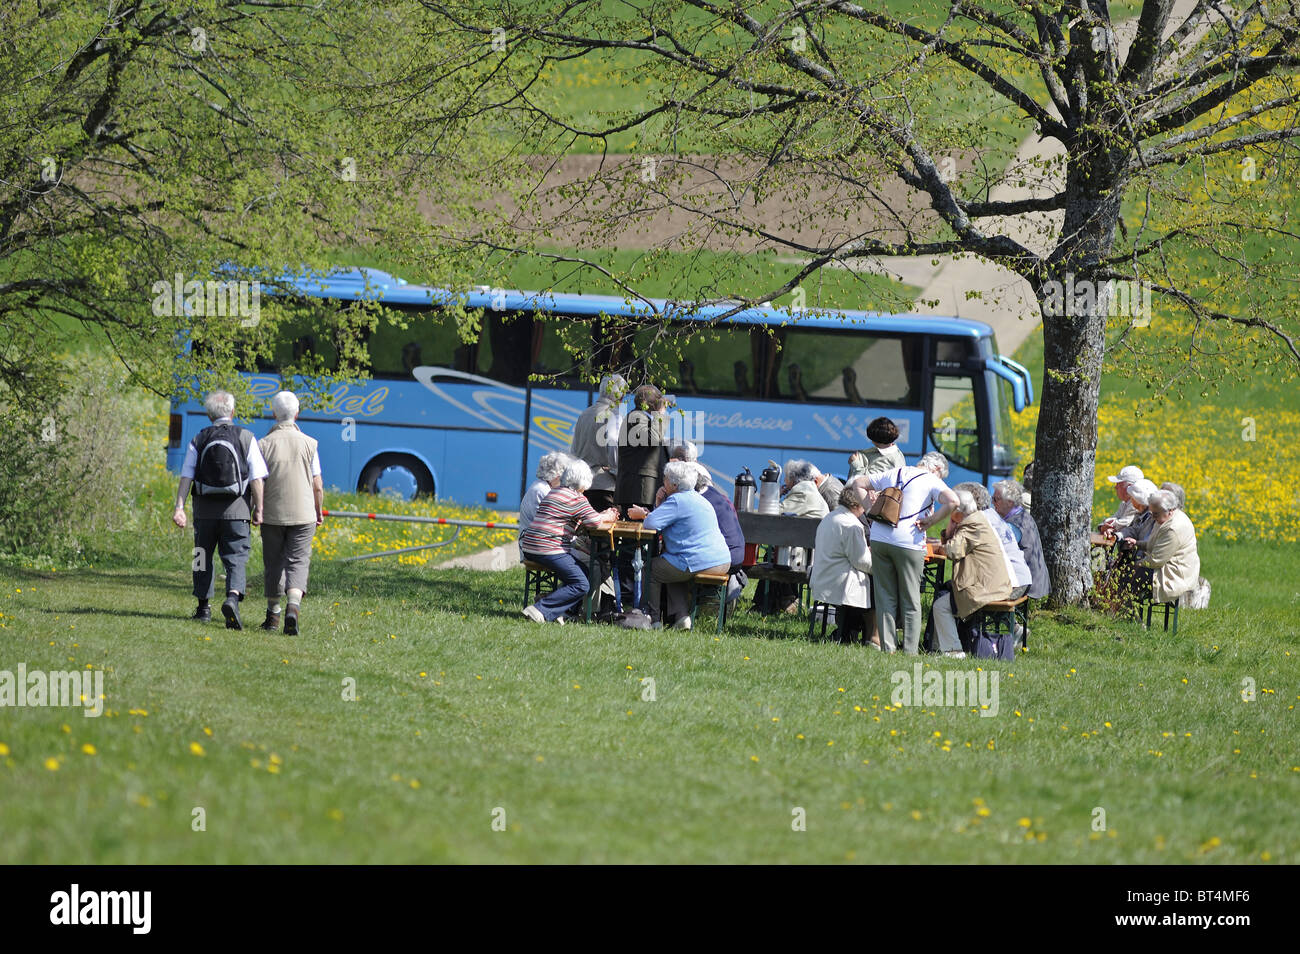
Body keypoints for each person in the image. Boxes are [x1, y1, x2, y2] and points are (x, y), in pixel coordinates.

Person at [172, 390, 268, 629]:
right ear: (233, 412)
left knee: (201, 556)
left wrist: (179, 507)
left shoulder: (200, 438)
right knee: (236, 557)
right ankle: (232, 598)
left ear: (208, 414)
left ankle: (203, 607)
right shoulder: (246, 437)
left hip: (204, 511)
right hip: (237, 510)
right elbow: (257, 478)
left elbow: (186, 475)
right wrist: (259, 509)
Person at [867, 451, 959, 654]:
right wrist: (931, 522)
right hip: (909, 542)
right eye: (941, 476)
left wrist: (869, 510)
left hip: (879, 538)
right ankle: (909, 651)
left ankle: (888, 648)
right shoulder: (931, 480)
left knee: (885, 596)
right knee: (910, 599)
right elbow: (953, 501)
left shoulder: (895, 472)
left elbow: (857, 483)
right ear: (936, 469)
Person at [629, 461, 731, 630]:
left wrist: (652, 506)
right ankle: (682, 617)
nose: (663, 481)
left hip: (699, 561)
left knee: (652, 569)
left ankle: (653, 620)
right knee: (671, 567)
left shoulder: (677, 500)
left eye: (665, 479)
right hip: (722, 561)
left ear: (674, 484)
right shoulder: (700, 499)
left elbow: (651, 523)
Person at [257, 391, 324, 635]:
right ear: (297, 414)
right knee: (298, 561)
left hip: (272, 514)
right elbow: (317, 484)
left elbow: (257, 481)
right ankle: (293, 609)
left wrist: (258, 509)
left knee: (273, 561)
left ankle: (273, 616)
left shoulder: (263, 444)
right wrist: (318, 511)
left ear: (274, 414)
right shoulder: (310, 443)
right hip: (304, 513)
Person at [520, 460, 618, 623]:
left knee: (583, 573)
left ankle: (556, 610)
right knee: (581, 583)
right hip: (548, 548)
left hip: (530, 545)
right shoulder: (577, 498)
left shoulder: (555, 491)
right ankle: (539, 609)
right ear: (584, 481)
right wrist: (608, 515)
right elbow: (595, 522)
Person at [927, 489, 1014, 657]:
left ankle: (953, 651)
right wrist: (949, 532)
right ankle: (940, 647)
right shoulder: (977, 520)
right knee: (944, 600)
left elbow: (952, 551)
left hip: (987, 589)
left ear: (958, 513)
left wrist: (949, 530)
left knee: (941, 605)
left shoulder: (972, 526)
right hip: (992, 585)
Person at [809, 480, 874, 646]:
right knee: (877, 585)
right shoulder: (852, 525)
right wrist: (882, 565)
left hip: (823, 577)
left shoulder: (830, 517)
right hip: (840, 581)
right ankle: (863, 635)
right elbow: (861, 561)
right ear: (858, 503)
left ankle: (848, 631)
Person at [954, 481, 1031, 600]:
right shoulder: (992, 517)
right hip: (1021, 579)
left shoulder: (980, 521)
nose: (993, 503)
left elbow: (954, 551)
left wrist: (951, 524)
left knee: (960, 597)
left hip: (1013, 583)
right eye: (992, 498)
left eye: (996, 499)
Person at [569, 374, 626, 511]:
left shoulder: (584, 414)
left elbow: (574, 451)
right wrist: (616, 471)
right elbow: (613, 441)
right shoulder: (615, 415)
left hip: (583, 486)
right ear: (621, 395)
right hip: (605, 486)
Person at [1137, 490, 1201, 606]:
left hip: (1175, 576)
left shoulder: (1173, 529)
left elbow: (1156, 561)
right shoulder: (1164, 518)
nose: (1152, 517)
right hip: (1166, 565)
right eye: (1151, 513)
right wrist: (1137, 544)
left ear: (1170, 511)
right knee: (1128, 571)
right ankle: (1128, 614)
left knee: (1128, 575)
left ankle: (1129, 616)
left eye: (1155, 514)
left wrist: (1136, 564)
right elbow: (1155, 546)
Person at [615, 384, 669, 518]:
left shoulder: (640, 417)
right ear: (647, 403)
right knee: (639, 535)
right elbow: (654, 438)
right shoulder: (636, 417)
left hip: (640, 490)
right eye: (657, 401)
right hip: (638, 491)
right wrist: (660, 414)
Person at [993, 479, 1049, 600]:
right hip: (1035, 582)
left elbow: (996, 549)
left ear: (1009, 502)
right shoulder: (1021, 515)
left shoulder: (1014, 525)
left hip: (1028, 586)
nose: (993, 503)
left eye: (996, 499)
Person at [518, 451, 571, 561]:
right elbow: (555, 522)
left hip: (539, 543)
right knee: (585, 557)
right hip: (537, 546)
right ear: (557, 476)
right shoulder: (542, 491)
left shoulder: (542, 487)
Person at [1099, 464, 1144, 531]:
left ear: (1129, 487)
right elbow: (1114, 518)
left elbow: (1124, 524)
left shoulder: (1135, 505)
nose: (1115, 487)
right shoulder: (1124, 503)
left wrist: (1106, 526)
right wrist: (1102, 526)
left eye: (1119, 484)